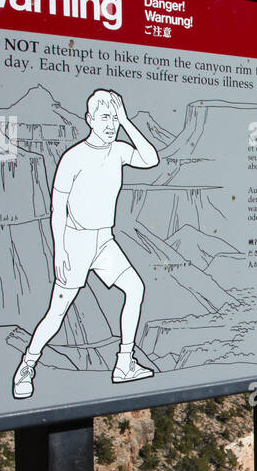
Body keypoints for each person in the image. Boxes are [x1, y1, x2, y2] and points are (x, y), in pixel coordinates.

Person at [12, 89, 159, 399]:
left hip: (104, 241)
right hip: (77, 243)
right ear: (90, 119)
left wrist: (127, 122)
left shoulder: (119, 151)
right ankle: (27, 365)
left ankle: (124, 363)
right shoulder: (73, 158)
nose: (111, 125)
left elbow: (150, 158)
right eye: (105, 118)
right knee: (58, 311)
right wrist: (60, 252)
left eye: (114, 118)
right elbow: (58, 210)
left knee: (135, 288)